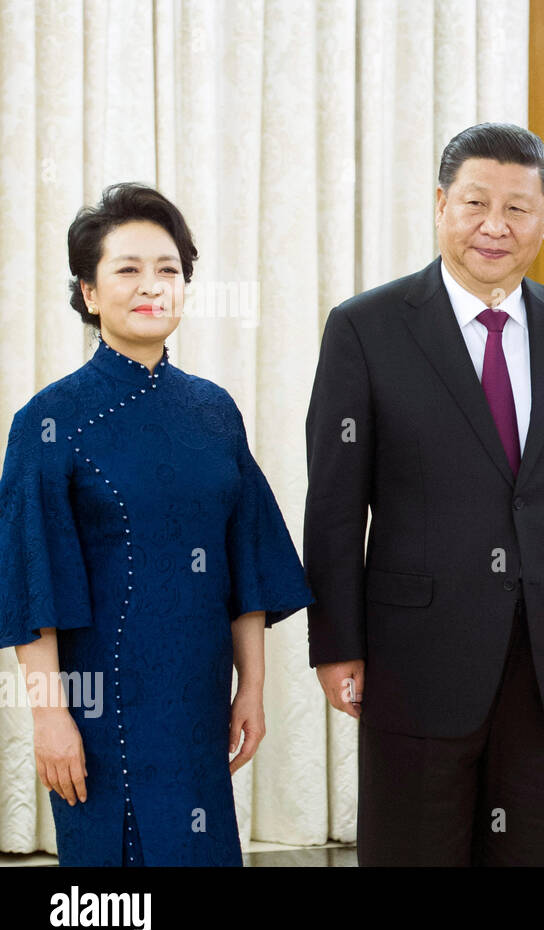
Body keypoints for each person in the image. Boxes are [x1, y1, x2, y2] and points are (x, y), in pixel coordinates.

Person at [304, 122, 544, 866]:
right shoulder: (365, 329)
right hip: (415, 652)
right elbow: (334, 503)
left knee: (524, 849)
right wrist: (337, 643)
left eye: (518, 209)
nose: (495, 227)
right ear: (440, 205)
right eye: (475, 203)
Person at [0, 183, 313, 866]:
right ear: (88, 292)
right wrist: (49, 717)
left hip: (198, 701)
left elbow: (248, 566)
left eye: (168, 270)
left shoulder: (213, 411)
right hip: (98, 705)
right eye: (128, 270)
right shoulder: (48, 421)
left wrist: (251, 689)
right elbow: (31, 586)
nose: (153, 287)